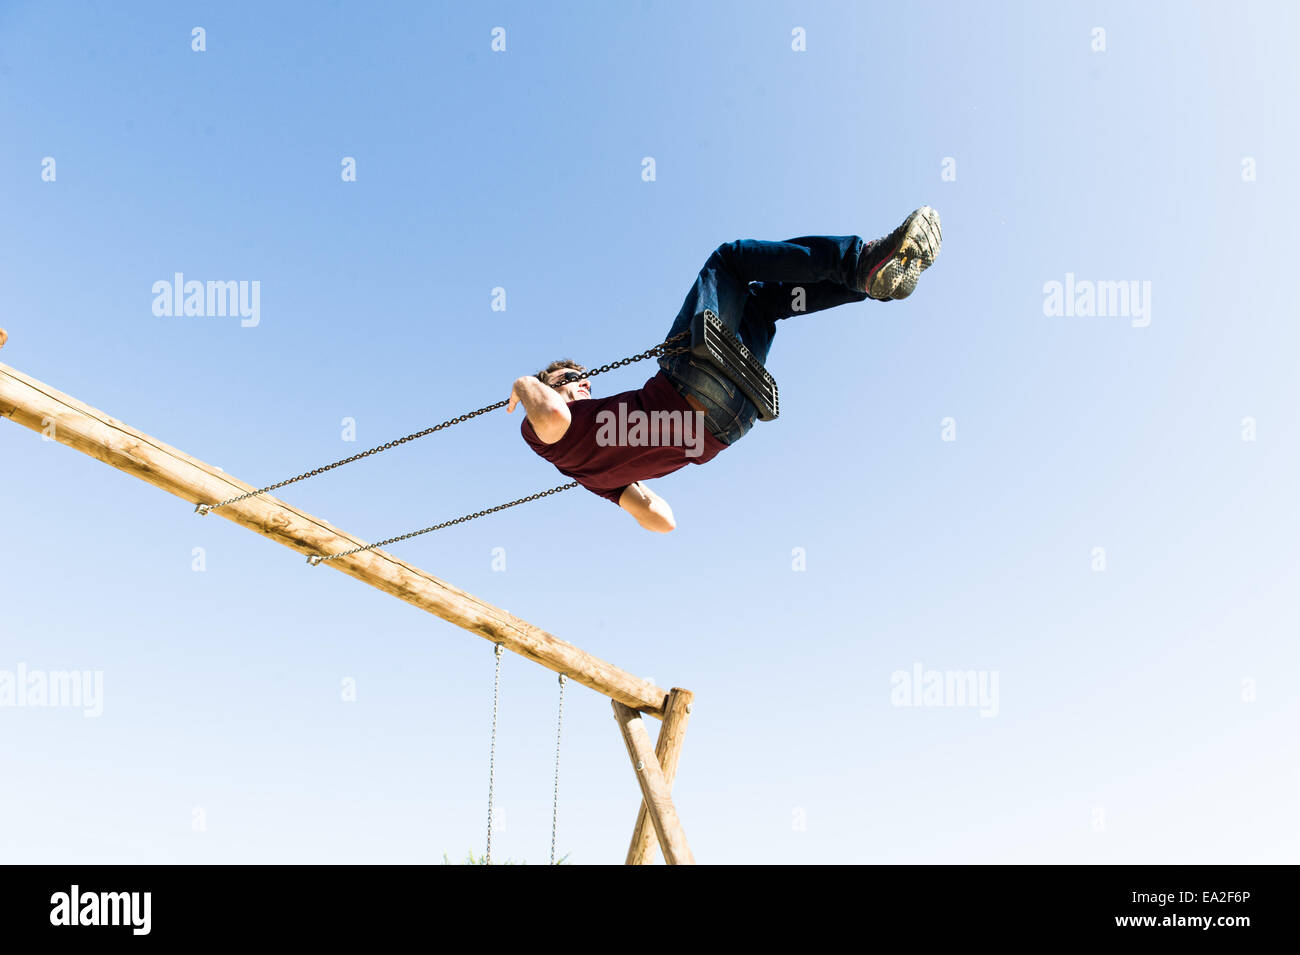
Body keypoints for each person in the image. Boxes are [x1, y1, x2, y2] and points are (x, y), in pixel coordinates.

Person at [507, 207, 942, 532]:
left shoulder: (597, 479)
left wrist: (633, 472)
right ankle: (857, 263)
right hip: (690, 385)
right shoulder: (546, 433)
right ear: (549, 388)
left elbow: (662, 520)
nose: (583, 382)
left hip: (731, 422)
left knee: (767, 304)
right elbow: (549, 415)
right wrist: (524, 383)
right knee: (730, 261)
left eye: (583, 378)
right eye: (569, 379)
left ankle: (868, 283)